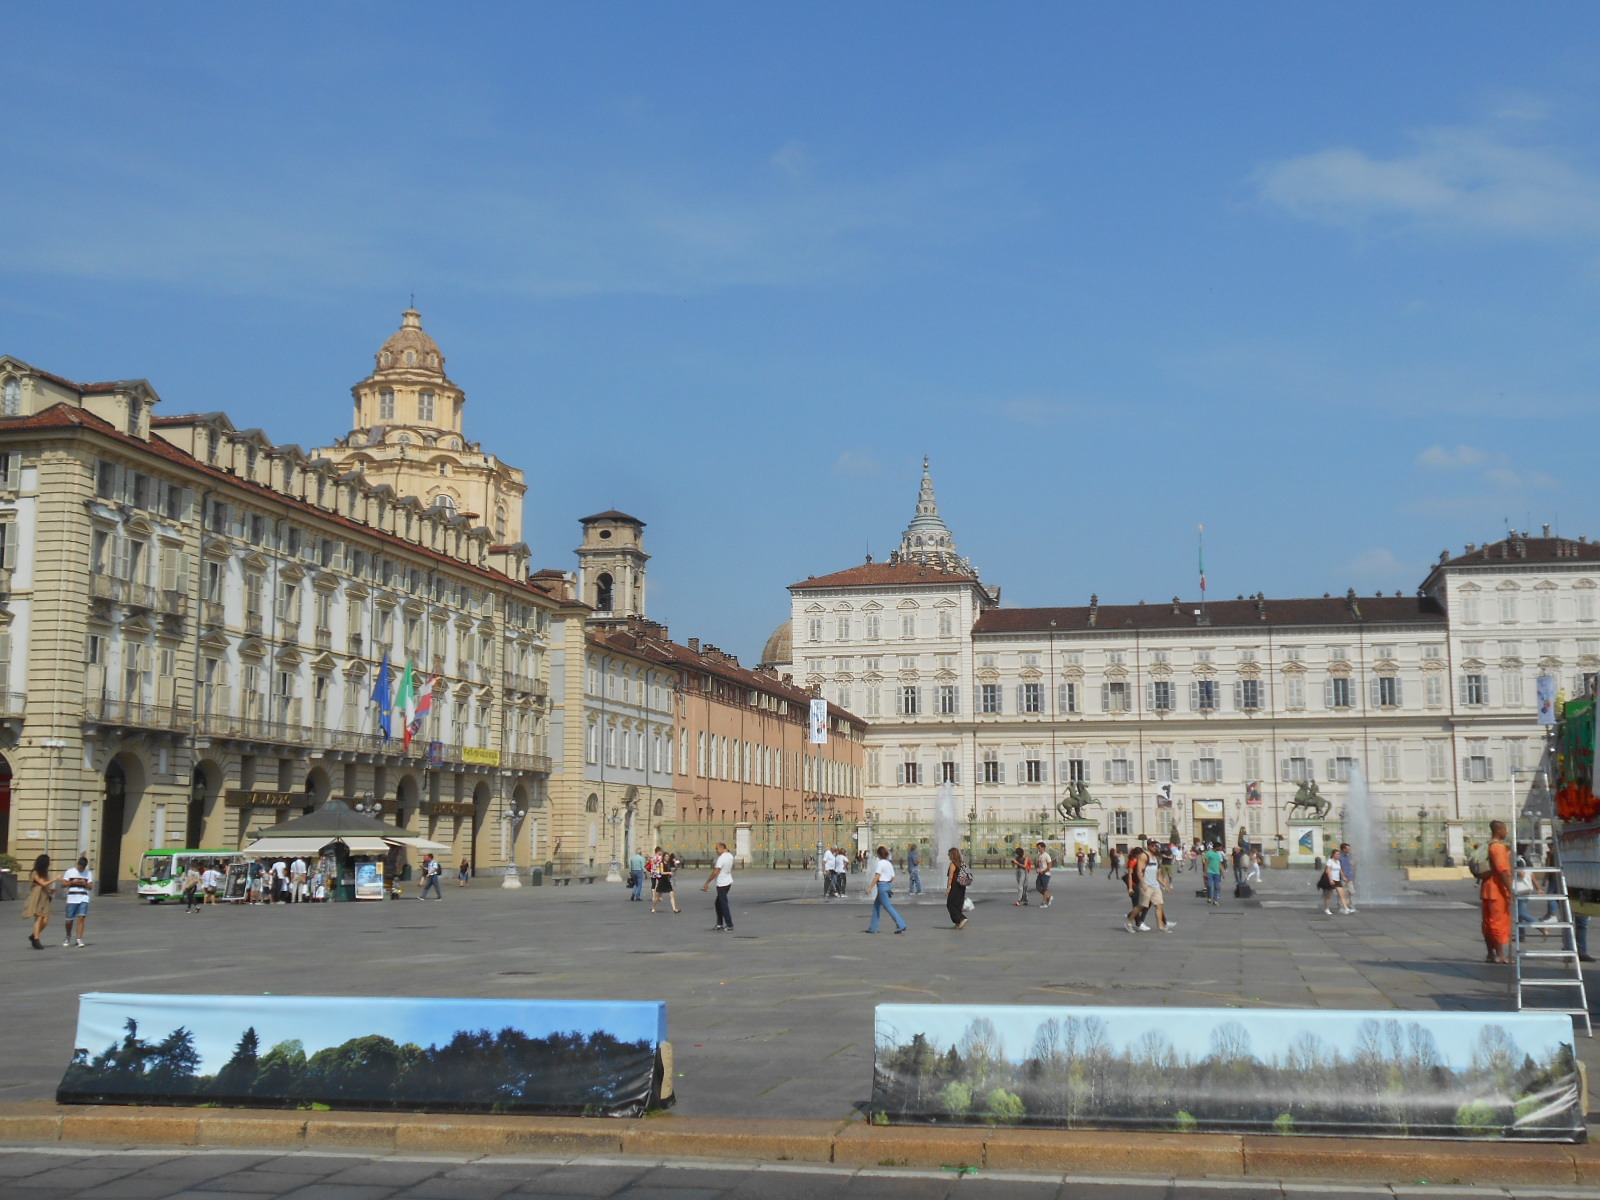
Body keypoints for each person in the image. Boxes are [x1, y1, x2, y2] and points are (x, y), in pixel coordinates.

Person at [1479, 820, 1514, 964]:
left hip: (1487, 888)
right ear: (1499, 831)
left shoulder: (1489, 845)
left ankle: (1490, 954)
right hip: (1496, 889)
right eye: (1505, 830)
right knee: (1498, 922)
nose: (1506, 833)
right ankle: (1500, 954)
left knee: (1488, 922)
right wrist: (1510, 889)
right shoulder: (1498, 847)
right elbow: (1502, 871)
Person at [865, 845, 908, 934]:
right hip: (887, 886)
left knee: (888, 907)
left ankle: (901, 924)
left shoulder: (880, 863)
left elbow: (877, 876)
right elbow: (892, 877)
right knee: (876, 906)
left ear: (878, 854)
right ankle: (873, 928)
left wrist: (870, 887)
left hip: (882, 886)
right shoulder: (889, 863)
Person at [23, 855, 59, 949]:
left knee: (46, 920)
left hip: (45, 897)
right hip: (37, 896)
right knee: (38, 918)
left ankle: (34, 935)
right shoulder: (35, 873)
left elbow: (45, 885)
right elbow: (42, 883)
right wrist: (55, 879)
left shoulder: (45, 873)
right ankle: (36, 939)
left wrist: (51, 890)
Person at [61, 855, 93, 948]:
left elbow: (91, 887)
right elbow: (63, 884)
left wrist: (85, 883)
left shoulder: (88, 873)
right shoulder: (69, 872)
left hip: (83, 898)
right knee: (69, 920)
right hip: (72, 898)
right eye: (80, 867)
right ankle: (68, 935)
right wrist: (72, 882)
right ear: (77, 864)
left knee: (81, 918)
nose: (81, 869)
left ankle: (79, 939)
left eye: (83, 868)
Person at [703, 841, 735, 931]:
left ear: (721, 848)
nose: (716, 851)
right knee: (718, 903)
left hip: (722, 883)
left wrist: (707, 882)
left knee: (723, 904)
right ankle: (719, 923)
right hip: (728, 881)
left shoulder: (721, 858)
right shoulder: (730, 856)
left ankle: (729, 924)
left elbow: (716, 871)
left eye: (717, 849)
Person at [1124, 842, 1150, 932]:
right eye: (1140, 854)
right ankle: (1136, 923)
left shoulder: (1138, 861)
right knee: (1137, 904)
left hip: (1138, 884)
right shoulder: (1133, 861)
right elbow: (1130, 875)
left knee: (1143, 903)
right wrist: (1130, 887)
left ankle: (1134, 918)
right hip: (1133, 885)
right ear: (1137, 854)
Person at [1319, 852, 1352, 916]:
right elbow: (1328, 871)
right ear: (1333, 855)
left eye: (1339, 854)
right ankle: (1327, 909)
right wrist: (1331, 879)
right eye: (1337, 854)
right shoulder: (1330, 861)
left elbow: (1340, 870)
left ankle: (1346, 909)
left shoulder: (1338, 862)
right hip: (1331, 879)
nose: (1338, 855)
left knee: (1342, 894)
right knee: (1329, 895)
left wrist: (1343, 877)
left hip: (1337, 880)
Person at [945, 847, 970, 929]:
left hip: (955, 886)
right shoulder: (962, 863)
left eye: (949, 854)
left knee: (950, 904)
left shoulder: (953, 864)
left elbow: (950, 877)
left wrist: (948, 888)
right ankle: (958, 922)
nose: (948, 855)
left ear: (952, 854)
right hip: (962, 886)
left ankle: (961, 918)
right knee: (958, 904)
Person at [651, 848, 679, 914]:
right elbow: (662, 872)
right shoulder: (661, 864)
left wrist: (674, 869)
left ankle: (674, 909)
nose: (667, 857)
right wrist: (669, 873)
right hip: (662, 881)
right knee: (658, 896)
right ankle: (653, 907)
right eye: (666, 856)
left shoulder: (669, 864)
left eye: (668, 856)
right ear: (664, 857)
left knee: (672, 894)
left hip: (667, 881)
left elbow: (673, 869)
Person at [1337, 842, 1358, 912]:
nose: (1349, 849)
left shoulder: (1349, 856)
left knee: (1352, 892)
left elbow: (1351, 866)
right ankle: (1342, 907)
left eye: (1349, 848)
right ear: (1343, 849)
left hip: (1349, 877)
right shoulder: (1339, 857)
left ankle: (1352, 906)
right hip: (1342, 878)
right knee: (1343, 893)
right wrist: (1343, 876)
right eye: (1347, 848)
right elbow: (1339, 867)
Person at [1033, 842, 1053, 909]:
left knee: (1044, 889)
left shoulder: (1046, 855)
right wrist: (1037, 869)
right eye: (1037, 848)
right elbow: (1038, 864)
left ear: (1043, 848)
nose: (1038, 849)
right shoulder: (1040, 855)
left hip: (1046, 874)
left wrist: (1044, 871)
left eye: (1039, 848)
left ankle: (1044, 903)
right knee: (1038, 888)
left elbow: (1050, 865)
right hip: (1040, 873)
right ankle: (1048, 897)